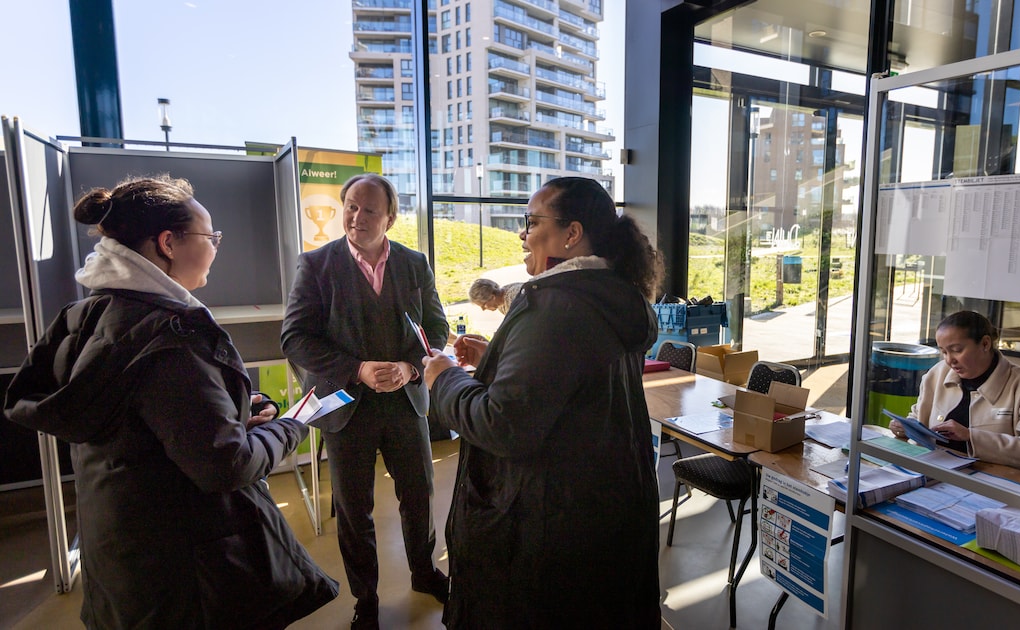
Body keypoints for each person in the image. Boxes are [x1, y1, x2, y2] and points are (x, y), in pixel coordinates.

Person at [3, 176, 338, 629]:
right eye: (210, 236)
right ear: (168, 243)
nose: (216, 246)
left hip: (125, 563)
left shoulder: (86, 317)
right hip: (187, 579)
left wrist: (232, 409)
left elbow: (147, 423)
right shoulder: (172, 337)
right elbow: (227, 464)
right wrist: (294, 424)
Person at [422, 177, 663, 628]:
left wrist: (444, 379)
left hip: (549, 523)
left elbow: (502, 424)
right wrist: (493, 361)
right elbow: (565, 385)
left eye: (531, 222)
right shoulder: (613, 293)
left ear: (571, 235)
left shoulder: (557, 306)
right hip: (604, 507)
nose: (522, 234)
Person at [281, 173, 449, 629]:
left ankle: (424, 571)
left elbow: (436, 328)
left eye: (368, 209)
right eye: (350, 206)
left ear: (390, 218)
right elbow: (295, 338)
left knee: (419, 495)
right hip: (344, 407)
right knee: (354, 509)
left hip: (404, 402)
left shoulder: (414, 264)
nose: (356, 217)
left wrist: (412, 368)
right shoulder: (316, 265)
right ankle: (366, 599)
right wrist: (359, 369)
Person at [889, 310, 1020, 473]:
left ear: (985, 344)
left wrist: (970, 436)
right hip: (937, 474)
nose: (950, 360)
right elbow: (919, 417)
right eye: (943, 352)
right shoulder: (938, 373)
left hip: (996, 484)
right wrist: (905, 427)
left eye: (957, 350)